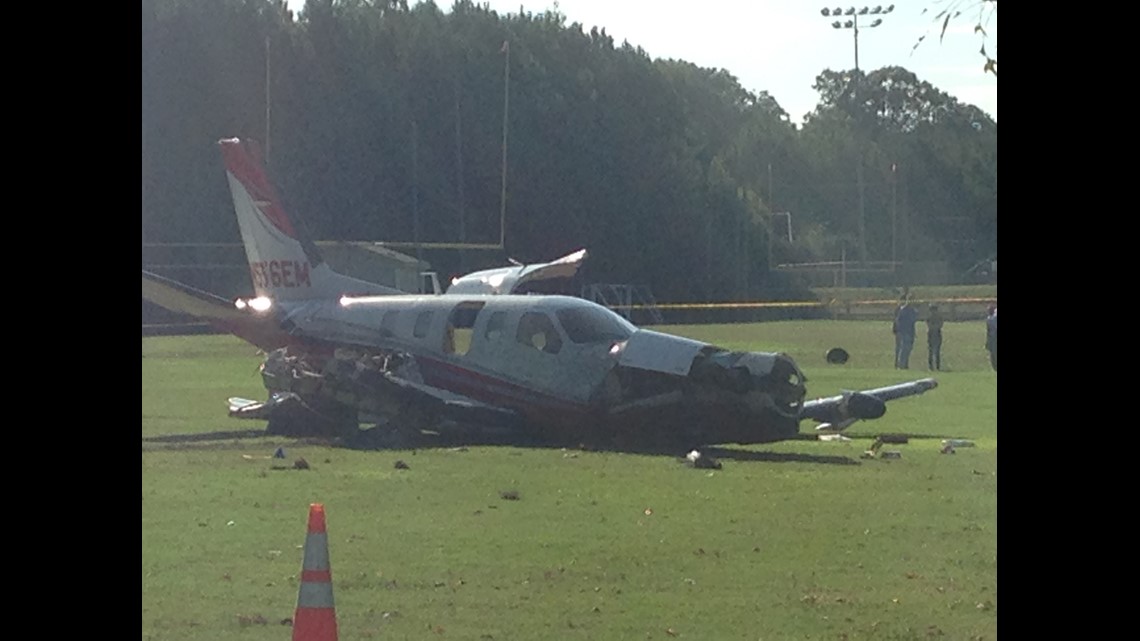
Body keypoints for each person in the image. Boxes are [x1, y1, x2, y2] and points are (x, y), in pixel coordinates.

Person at [892, 299, 918, 369]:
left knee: (908, 348)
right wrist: (899, 330)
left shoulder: (913, 311)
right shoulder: (902, 310)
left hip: (910, 332)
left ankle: (905, 363)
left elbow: (913, 323)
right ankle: (901, 364)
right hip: (904, 332)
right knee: (904, 348)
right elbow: (898, 321)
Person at [926, 303, 945, 371]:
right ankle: (930, 366)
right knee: (930, 351)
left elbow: (941, 324)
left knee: (937, 351)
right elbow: (928, 324)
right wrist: (934, 327)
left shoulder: (939, 317)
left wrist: (935, 327)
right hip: (931, 334)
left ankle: (937, 366)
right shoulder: (929, 317)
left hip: (937, 333)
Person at [984, 303, 997, 371]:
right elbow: (988, 331)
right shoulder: (989, 318)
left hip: (994, 338)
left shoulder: (993, 318)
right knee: (993, 355)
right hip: (992, 338)